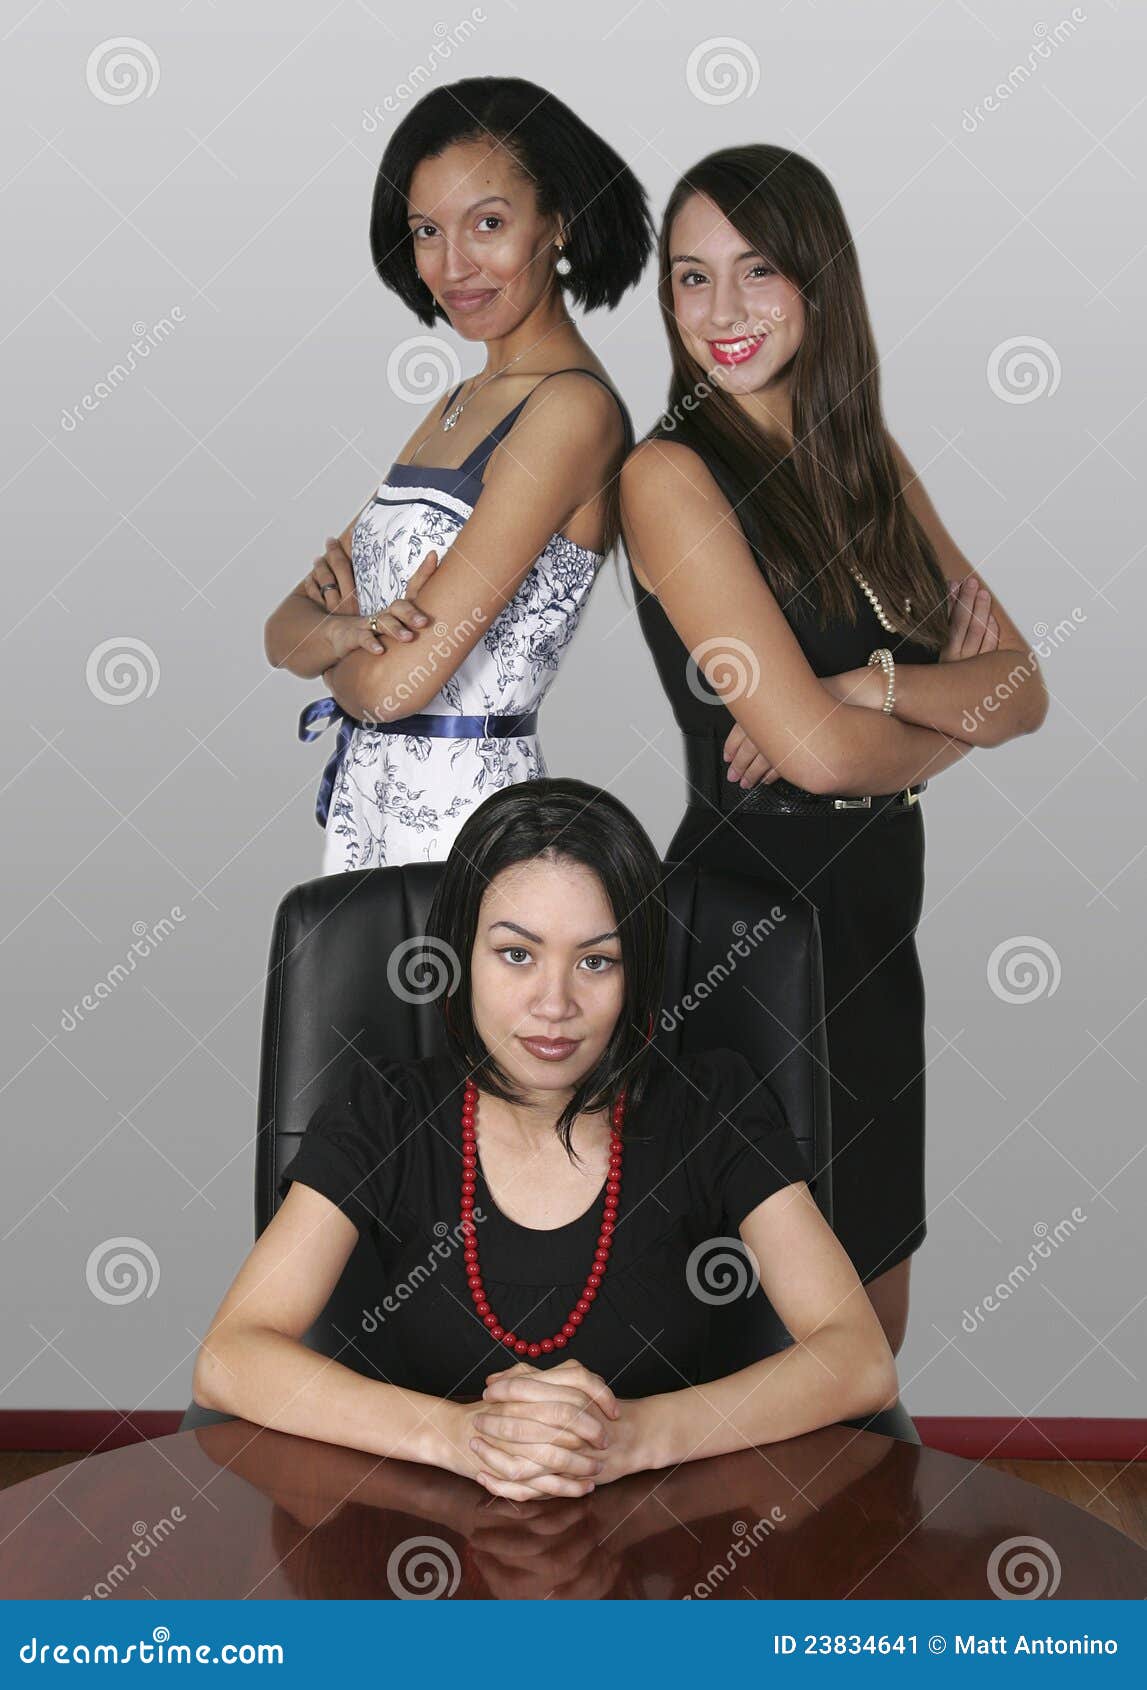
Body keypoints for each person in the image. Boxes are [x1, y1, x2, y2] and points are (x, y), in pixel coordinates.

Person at [619, 145, 1049, 1360]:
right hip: (746, 931)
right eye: (689, 276)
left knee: (872, 1326)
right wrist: (919, 720)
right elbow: (811, 759)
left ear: (818, 280)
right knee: (759, 1336)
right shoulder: (668, 473)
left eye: (757, 270)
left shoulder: (866, 459)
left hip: (871, 931)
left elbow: (1022, 687)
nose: (722, 309)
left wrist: (870, 691)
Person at [192, 779, 899, 1500]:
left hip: (665, 1531)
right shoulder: (386, 1112)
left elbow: (858, 1358)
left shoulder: (709, 1106)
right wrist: (460, 1437)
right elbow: (229, 1357)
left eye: (596, 961)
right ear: (459, 957)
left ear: (638, 972)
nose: (555, 1004)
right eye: (516, 954)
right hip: (421, 1529)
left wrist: (636, 1437)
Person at [263, 77, 650, 872]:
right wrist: (346, 637)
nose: (453, 265)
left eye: (488, 223)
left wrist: (336, 636)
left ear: (559, 221)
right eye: (426, 231)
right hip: (368, 812)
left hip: (467, 827)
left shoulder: (570, 411)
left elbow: (392, 690)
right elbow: (279, 630)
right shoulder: (455, 402)